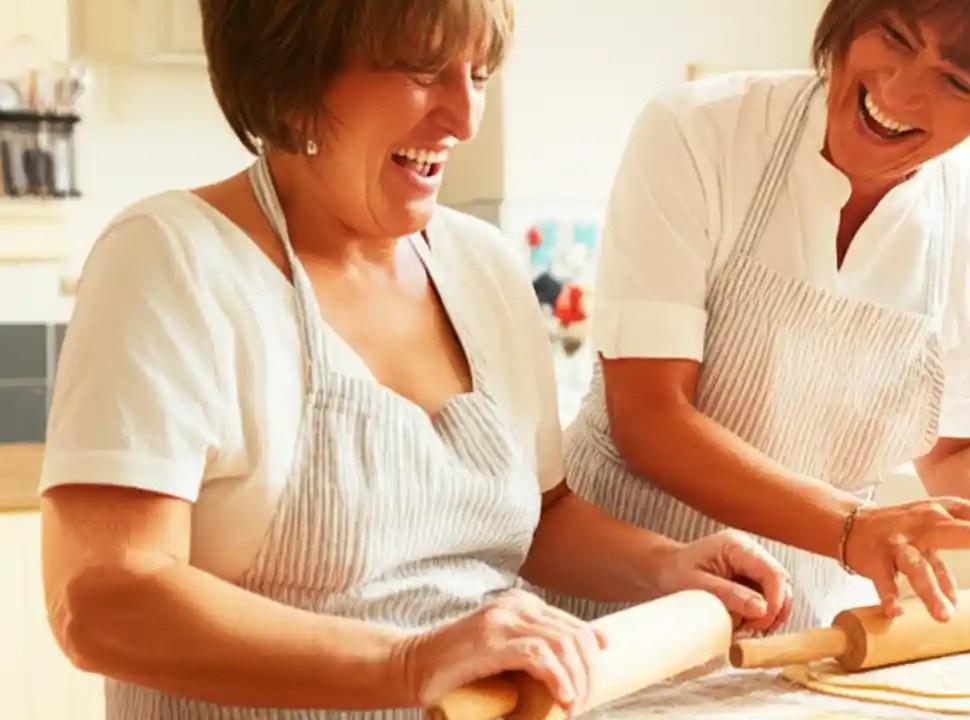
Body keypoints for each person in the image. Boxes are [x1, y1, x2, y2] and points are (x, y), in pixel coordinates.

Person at [36, 2, 793, 718]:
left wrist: (666, 565)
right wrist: (407, 663)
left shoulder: (483, 266)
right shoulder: (172, 261)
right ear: (294, 75)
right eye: (424, 71)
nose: (462, 119)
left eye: (480, 75)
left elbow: (538, 518)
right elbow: (103, 600)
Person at [543, 0, 970, 633]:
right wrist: (851, 526)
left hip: (797, 626)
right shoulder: (700, 130)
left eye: (956, 82)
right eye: (893, 36)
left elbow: (959, 447)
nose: (898, 88)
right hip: (610, 607)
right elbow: (651, 418)